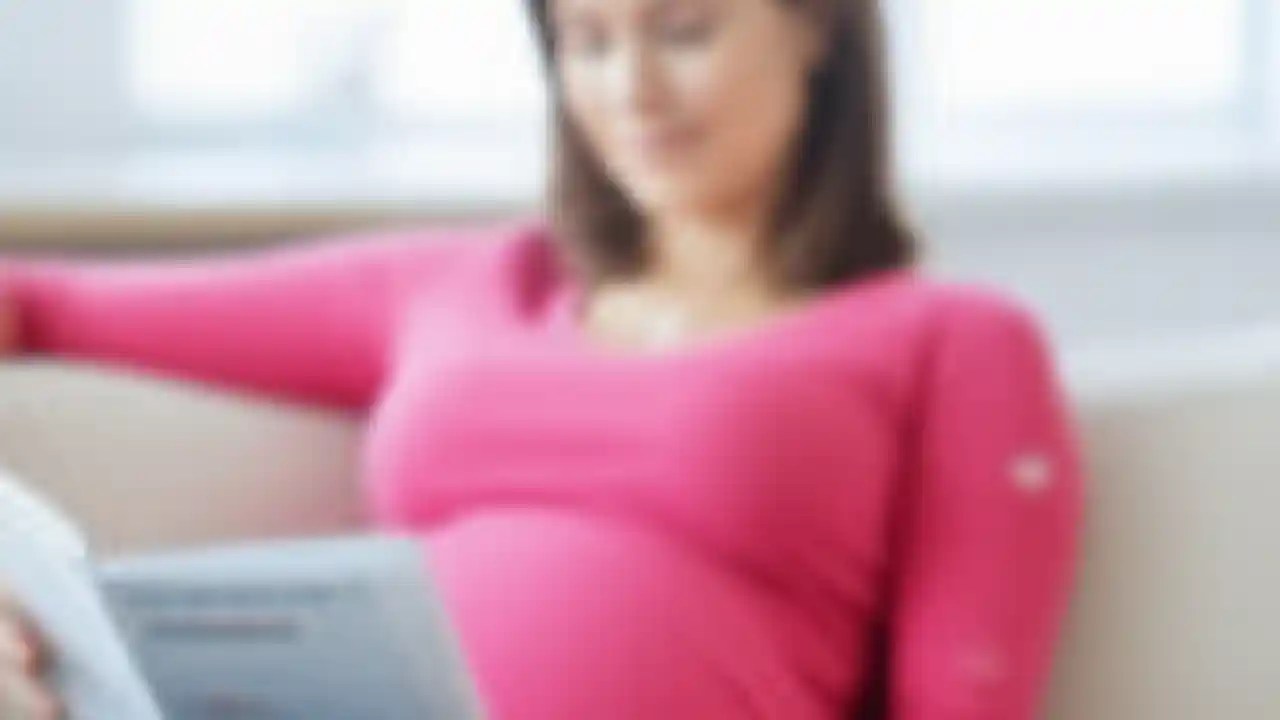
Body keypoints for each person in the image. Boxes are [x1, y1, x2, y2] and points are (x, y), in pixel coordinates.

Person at [0, 0, 1085, 717]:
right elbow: (36, 306)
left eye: (683, 30)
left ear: (817, 30)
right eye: (588, 41)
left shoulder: (950, 341)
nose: (629, 90)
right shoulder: (462, 285)